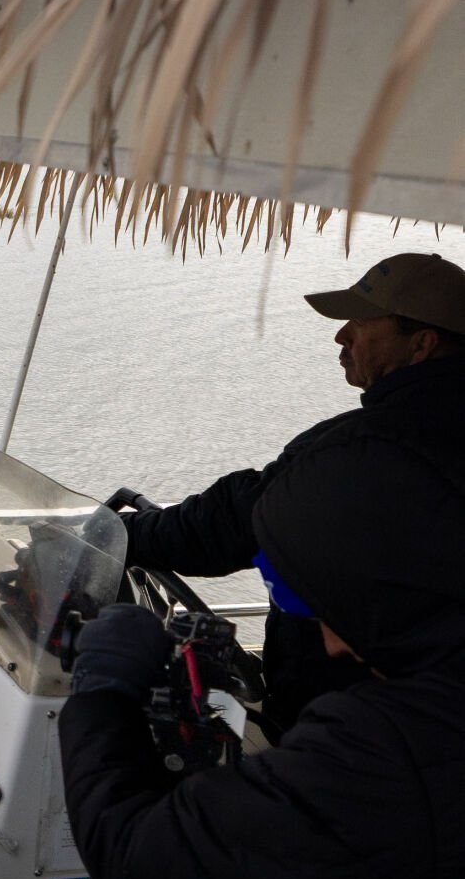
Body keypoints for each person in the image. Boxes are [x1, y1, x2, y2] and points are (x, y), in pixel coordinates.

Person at [59, 391, 465, 879]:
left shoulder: (397, 750)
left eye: (319, 601)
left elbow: (149, 871)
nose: (331, 644)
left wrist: (103, 696)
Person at [118, 251, 465, 727]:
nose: (341, 334)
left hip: (349, 728)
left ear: (422, 344)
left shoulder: (357, 448)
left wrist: (122, 536)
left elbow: (232, 523)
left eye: (362, 322)